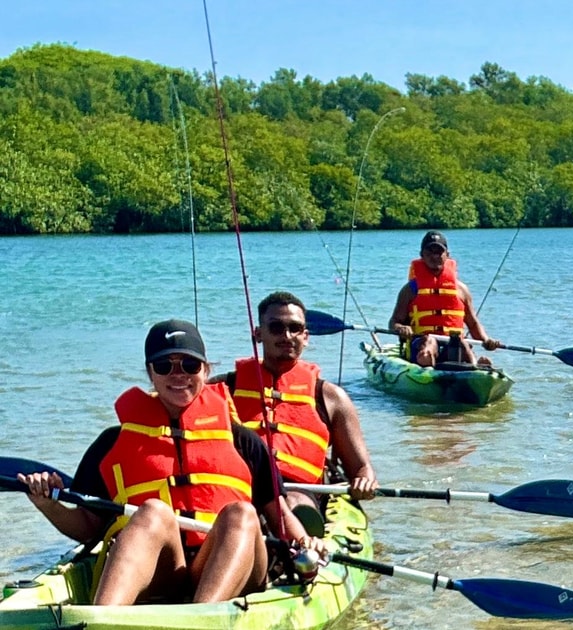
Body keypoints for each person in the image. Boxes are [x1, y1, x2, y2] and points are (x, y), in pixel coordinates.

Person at [18, 319, 319, 605]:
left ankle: (202, 616)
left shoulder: (243, 441)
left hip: (233, 563)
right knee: (152, 511)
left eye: (190, 365)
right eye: (165, 366)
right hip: (163, 570)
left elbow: (278, 512)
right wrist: (48, 504)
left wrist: (307, 544)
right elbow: (87, 528)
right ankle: (102, 619)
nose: (179, 375)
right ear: (150, 373)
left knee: (241, 513)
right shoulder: (111, 444)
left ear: (206, 370)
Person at [212, 291, 377, 516]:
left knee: (294, 503)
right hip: (240, 489)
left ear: (306, 337)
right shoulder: (222, 389)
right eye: (276, 328)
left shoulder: (330, 397)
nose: (287, 335)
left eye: (295, 328)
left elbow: (360, 468)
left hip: (299, 492)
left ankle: (300, 541)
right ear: (258, 334)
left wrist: (365, 481)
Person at [388, 230, 501, 367]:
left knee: (461, 342)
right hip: (422, 342)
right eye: (430, 252)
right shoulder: (409, 290)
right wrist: (401, 328)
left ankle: (475, 366)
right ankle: (427, 366)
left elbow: (472, 323)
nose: (434, 256)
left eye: (439, 252)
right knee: (430, 342)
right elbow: (394, 321)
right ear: (422, 255)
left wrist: (486, 340)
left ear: (447, 255)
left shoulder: (461, 290)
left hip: (451, 343)